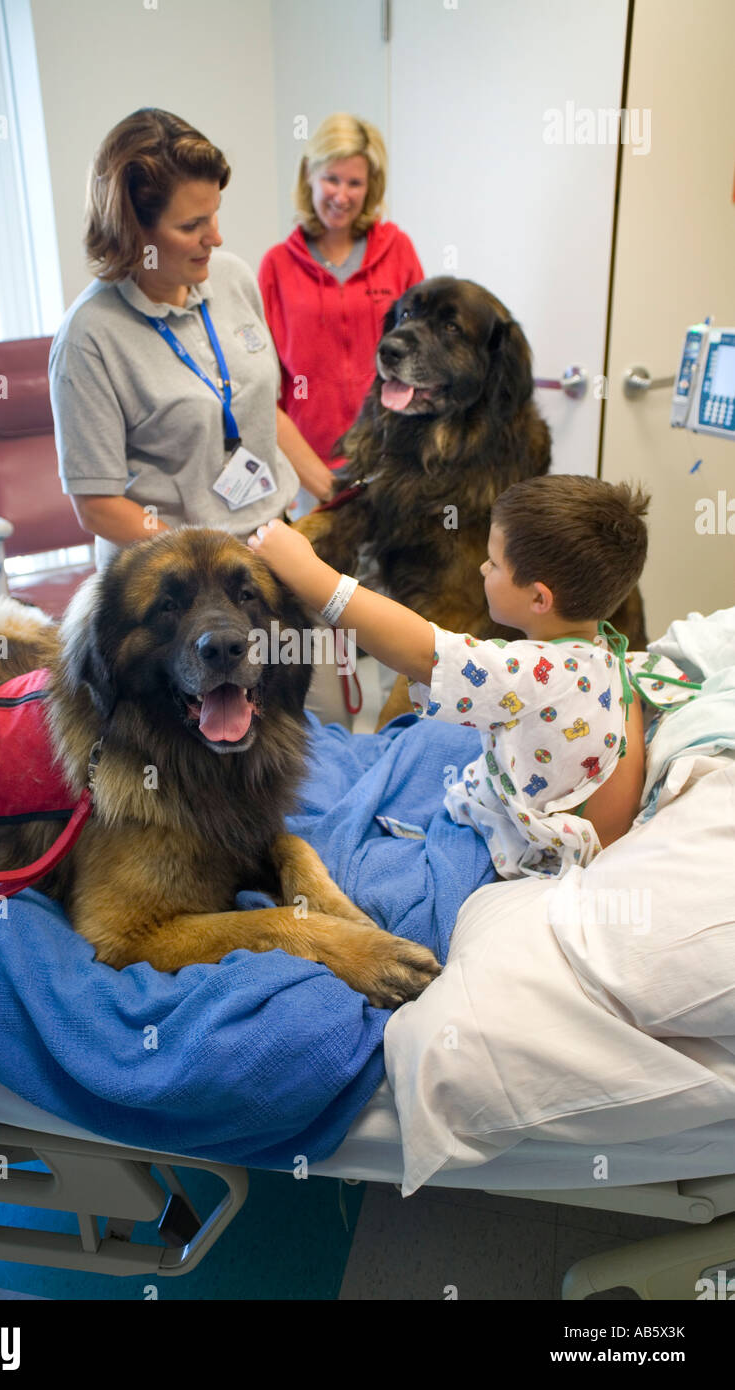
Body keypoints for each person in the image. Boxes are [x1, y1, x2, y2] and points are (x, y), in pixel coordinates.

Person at [248, 476, 692, 879]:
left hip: (514, 857)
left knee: (343, 866)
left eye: (494, 563)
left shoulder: (533, 677)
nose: (482, 569)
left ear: (539, 598)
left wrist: (309, 573)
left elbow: (423, 650)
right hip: (559, 820)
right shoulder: (606, 653)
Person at [49, 108, 334, 571]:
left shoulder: (233, 278)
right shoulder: (88, 337)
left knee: (310, 647)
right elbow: (97, 505)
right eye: (190, 227)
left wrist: (334, 491)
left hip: (274, 548)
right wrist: (213, 563)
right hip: (176, 580)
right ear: (132, 231)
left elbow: (263, 413)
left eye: (215, 215)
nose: (215, 237)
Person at [258, 113, 424, 514]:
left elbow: (423, 354)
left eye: (355, 183)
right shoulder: (277, 266)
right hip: (308, 469)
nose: (343, 195)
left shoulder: (398, 250)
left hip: (392, 461)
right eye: (332, 179)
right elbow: (265, 387)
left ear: (371, 188)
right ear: (309, 177)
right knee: (317, 575)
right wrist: (317, 479)